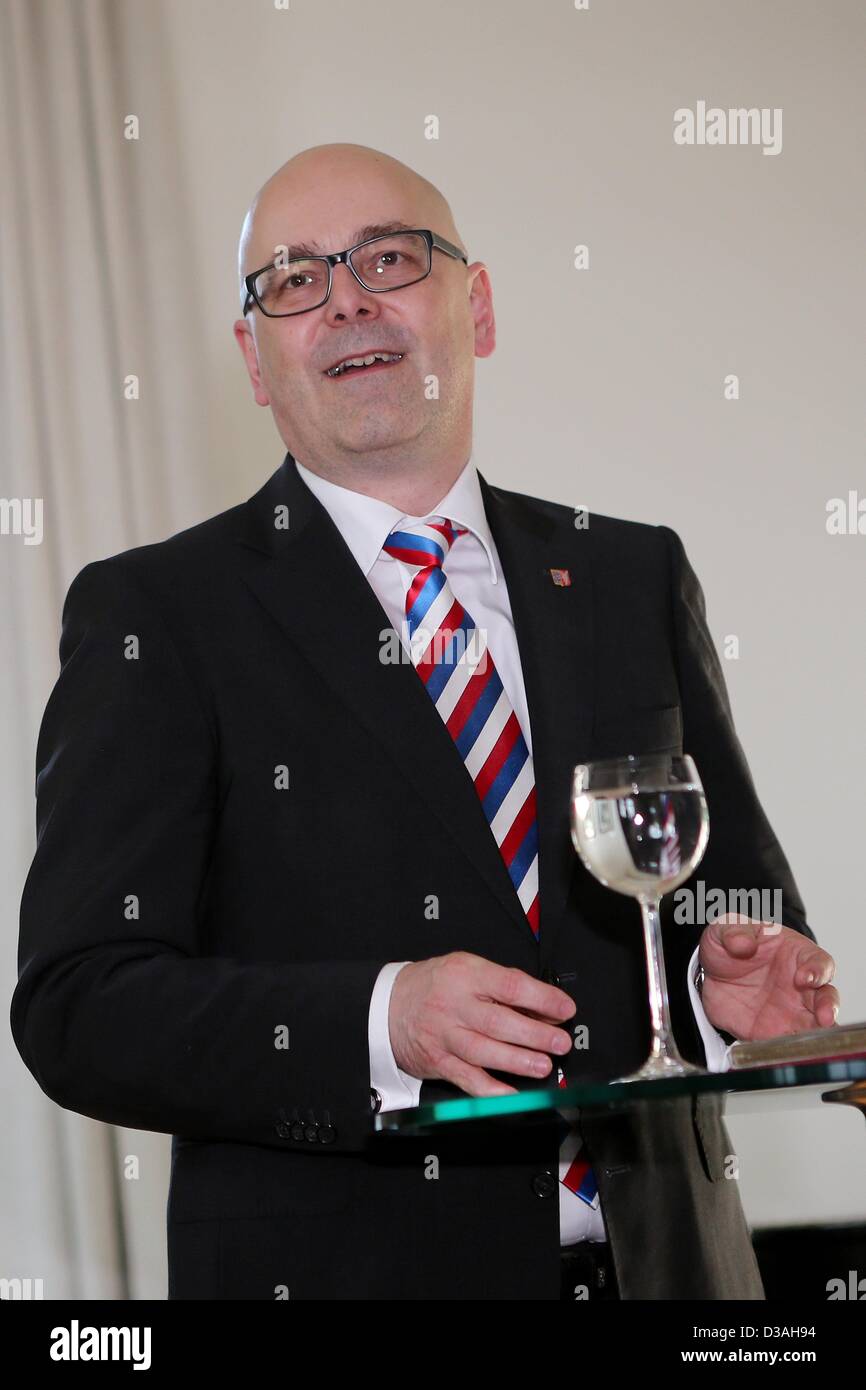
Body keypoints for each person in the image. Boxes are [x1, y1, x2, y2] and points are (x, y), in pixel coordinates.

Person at [12, 143, 839, 1301]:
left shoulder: (629, 574)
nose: (345, 297)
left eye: (388, 258)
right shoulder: (158, 615)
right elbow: (78, 1005)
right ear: (256, 359)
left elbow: (730, 900)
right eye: (294, 280)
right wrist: (376, 1019)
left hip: (679, 1283)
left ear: (476, 305)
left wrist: (724, 995)